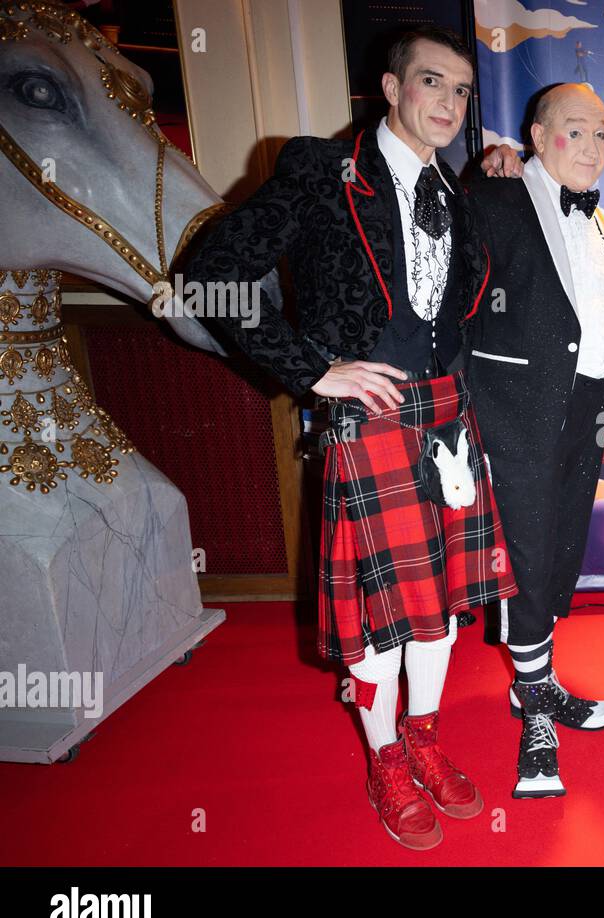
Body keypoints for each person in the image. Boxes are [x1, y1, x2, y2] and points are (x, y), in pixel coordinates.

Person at [187, 27, 516, 850]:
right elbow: (205, 274)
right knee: (379, 622)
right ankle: (384, 760)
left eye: (461, 91)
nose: (448, 102)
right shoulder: (318, 171)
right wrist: (310, 370)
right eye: (431, 82)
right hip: (367, 421)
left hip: (446, 414)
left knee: (436, 610)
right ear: (391, 87)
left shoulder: (455, 189)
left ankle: (425, 738)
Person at [465, 84, 604, 799]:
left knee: (558, 550)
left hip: (585, 405)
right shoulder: (495, 197)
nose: (593, 146)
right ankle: (537, 723)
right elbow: (452, 302)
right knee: (527, 560)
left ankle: (539, 682)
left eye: (601, 133)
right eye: (575, 132)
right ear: (535, 134)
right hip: (517, 412)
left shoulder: (598, 219)